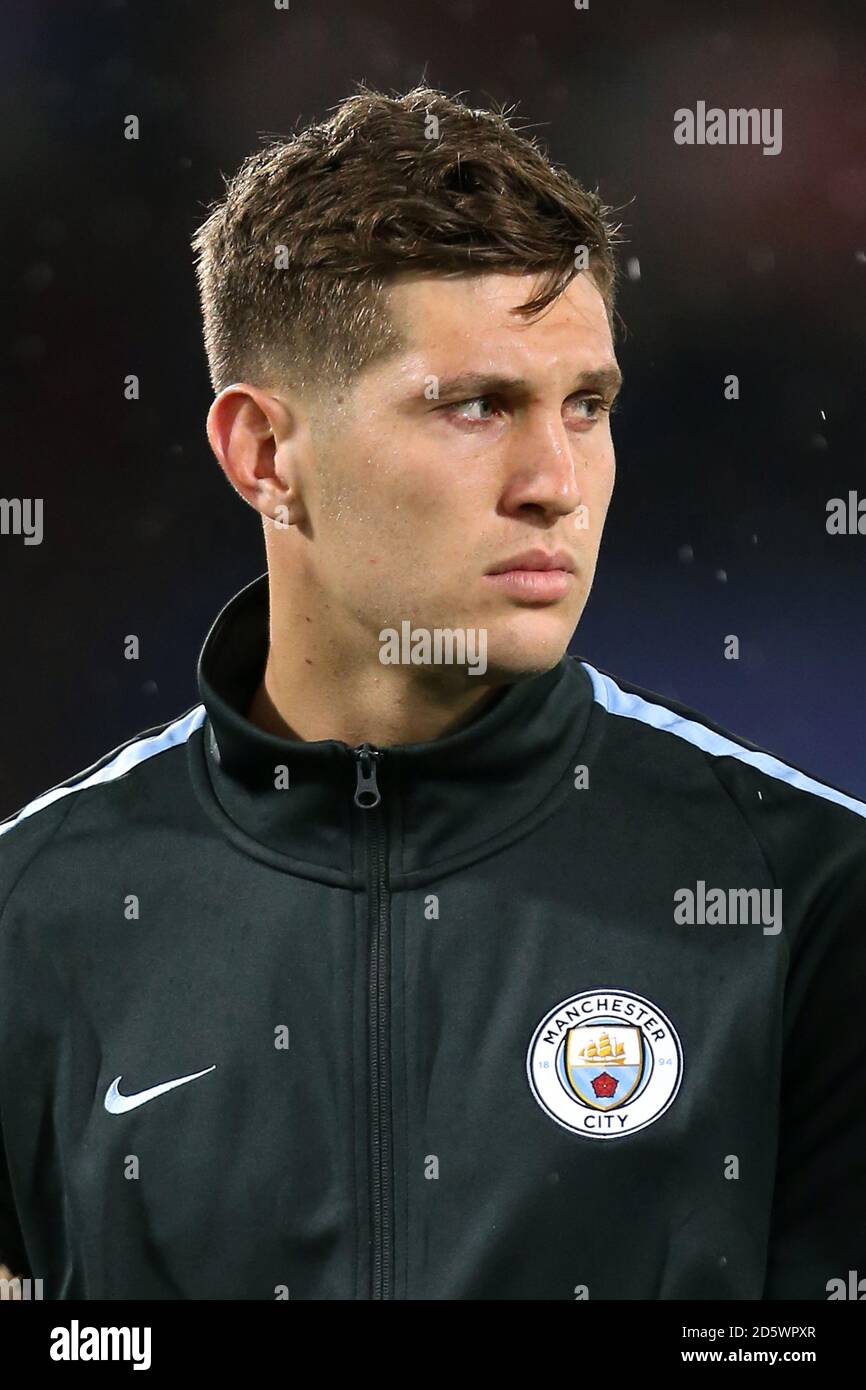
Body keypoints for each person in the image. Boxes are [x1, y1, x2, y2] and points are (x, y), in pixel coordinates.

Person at [1, 83, 864, 1301]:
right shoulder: (32, 919)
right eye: (474, 405)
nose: (555, 482)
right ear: (264, 456)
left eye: (587, 405)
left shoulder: (809, 897)